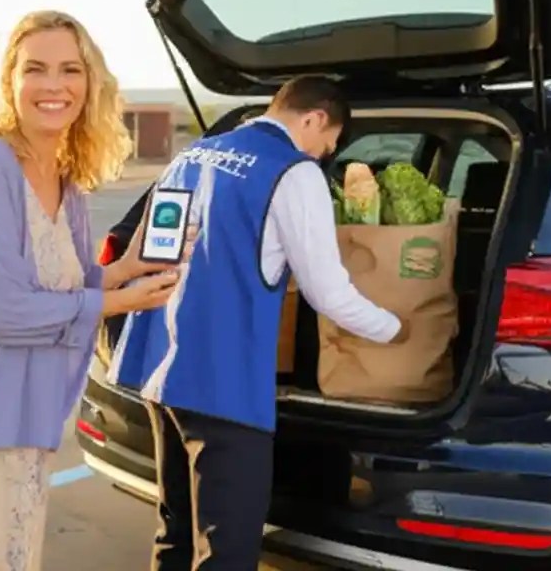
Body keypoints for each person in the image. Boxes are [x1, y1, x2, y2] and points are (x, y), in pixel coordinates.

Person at [0, 9, 190, 571]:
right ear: (10, 79)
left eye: (71, 70)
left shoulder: (66, 174)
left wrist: (122, 270)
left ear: (90, 84)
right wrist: (115, 302)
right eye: (36, 68)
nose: (54, 85)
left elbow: (61, 286)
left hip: (28, 425)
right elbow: (0, 311)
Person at [108, 75, 403, 570]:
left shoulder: (195, 153)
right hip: (223, 382)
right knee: (226, 553)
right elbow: (326, 292)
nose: (322, 158)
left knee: (175, 533)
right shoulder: (294, 172)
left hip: (160, 368)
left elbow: (158, 252)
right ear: (315, 119)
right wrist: (396, 330)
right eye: (327, 146)